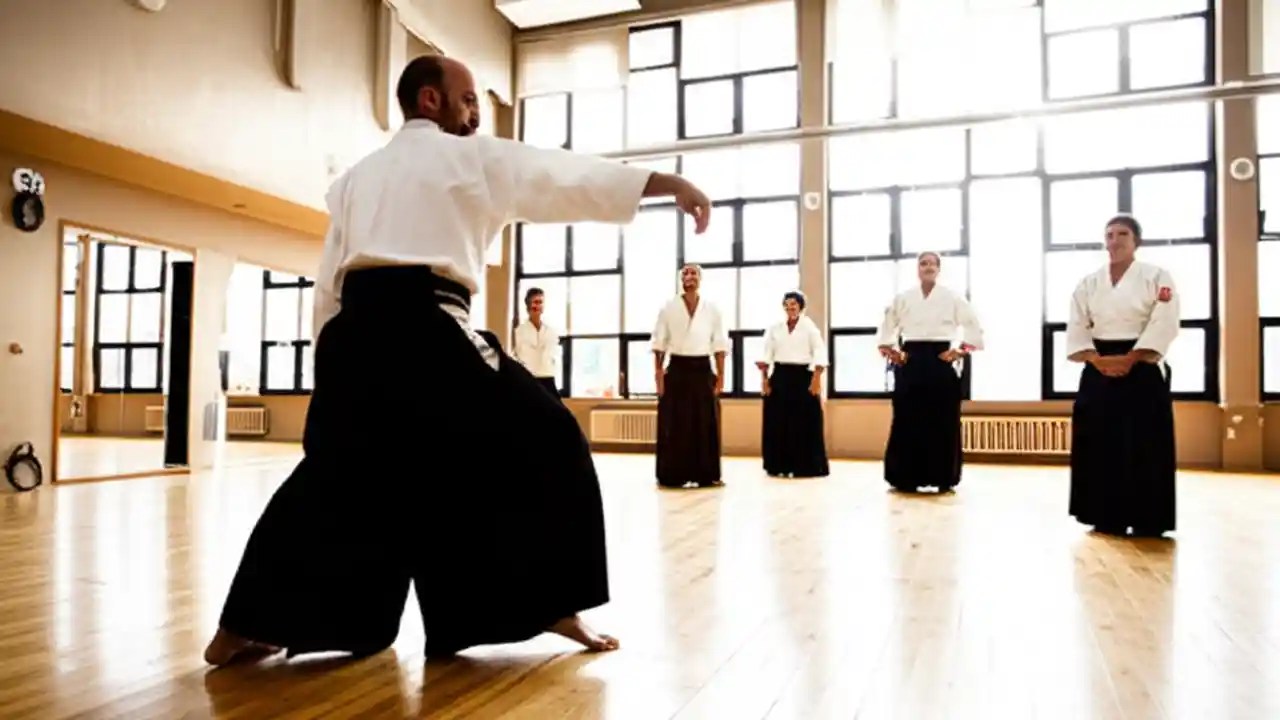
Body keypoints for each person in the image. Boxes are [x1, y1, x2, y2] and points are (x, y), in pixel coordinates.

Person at [203, 55, 712, 666]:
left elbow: (328, 282)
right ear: (430, 101)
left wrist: (328, 369)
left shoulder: (355, 179)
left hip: (351, 336)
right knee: (549, 437)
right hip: (427, 324)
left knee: (338, 474)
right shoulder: (470, 157)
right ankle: (550, 604)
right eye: (468, 99)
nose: (476, 113)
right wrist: (665, 183)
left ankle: (241, 626)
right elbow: (559, 175)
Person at [1066, 214, 1177, 538]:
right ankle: (1104, 514)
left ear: (1136, 241)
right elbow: (1077, 324)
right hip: (1098, 364)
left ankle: (1148, 517)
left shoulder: (1157, 276)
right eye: (1110, 234)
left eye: (1122, 234)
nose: (1115, 240)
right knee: (1100, 442)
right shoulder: (1089, 282)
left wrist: (1132, 358)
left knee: (1144, 443)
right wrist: (1095, 359)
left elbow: (1164, 320)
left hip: (1141, 365)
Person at [877, 251, 983, 493]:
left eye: (932, 264)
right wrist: (893, 352)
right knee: (907, 418)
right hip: (911, 360)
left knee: (942, 420)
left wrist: (958, 351)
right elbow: (887, 328)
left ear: (939, 268)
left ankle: (943, 476)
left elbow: (974, 328)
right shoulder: (904, 298)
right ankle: (905, 476)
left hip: (940, 361)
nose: (928, 267)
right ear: (917, 268)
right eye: (923, 263)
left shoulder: (952, 297)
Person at [652, 264, 729, 489]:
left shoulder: (712, 309)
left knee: (706, 421)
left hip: (703, 367)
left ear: (700, 279)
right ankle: (672, 474)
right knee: (675, 422)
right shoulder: (668, 308)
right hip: (676, 367)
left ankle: (707, 474)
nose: (689, 277)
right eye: (685, 273)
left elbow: (719, 344)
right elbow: (659, 342)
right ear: (680, 280)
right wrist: (658, 374)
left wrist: (721, 375)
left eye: (693, 273)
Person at [757, 290, 829, 478]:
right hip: (780, 376)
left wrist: (816, 380)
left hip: (803, 377)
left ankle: (806, 465)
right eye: (787, 305)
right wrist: (764, 380)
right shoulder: (775, 328)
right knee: (778, 421)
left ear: (801, 307)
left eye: (794, 305)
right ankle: (778, 464)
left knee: (804, 422)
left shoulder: (809, 327)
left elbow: (819, 352)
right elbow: (766, 354)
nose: (790, 309)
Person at [513, 286, 561, 399]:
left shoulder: (551, 331)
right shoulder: (518, 332)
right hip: (528, 380)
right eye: (535, 302)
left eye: (541, 302)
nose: (538, 306)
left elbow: (554, 356)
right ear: (528, 305)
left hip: (548, 378)